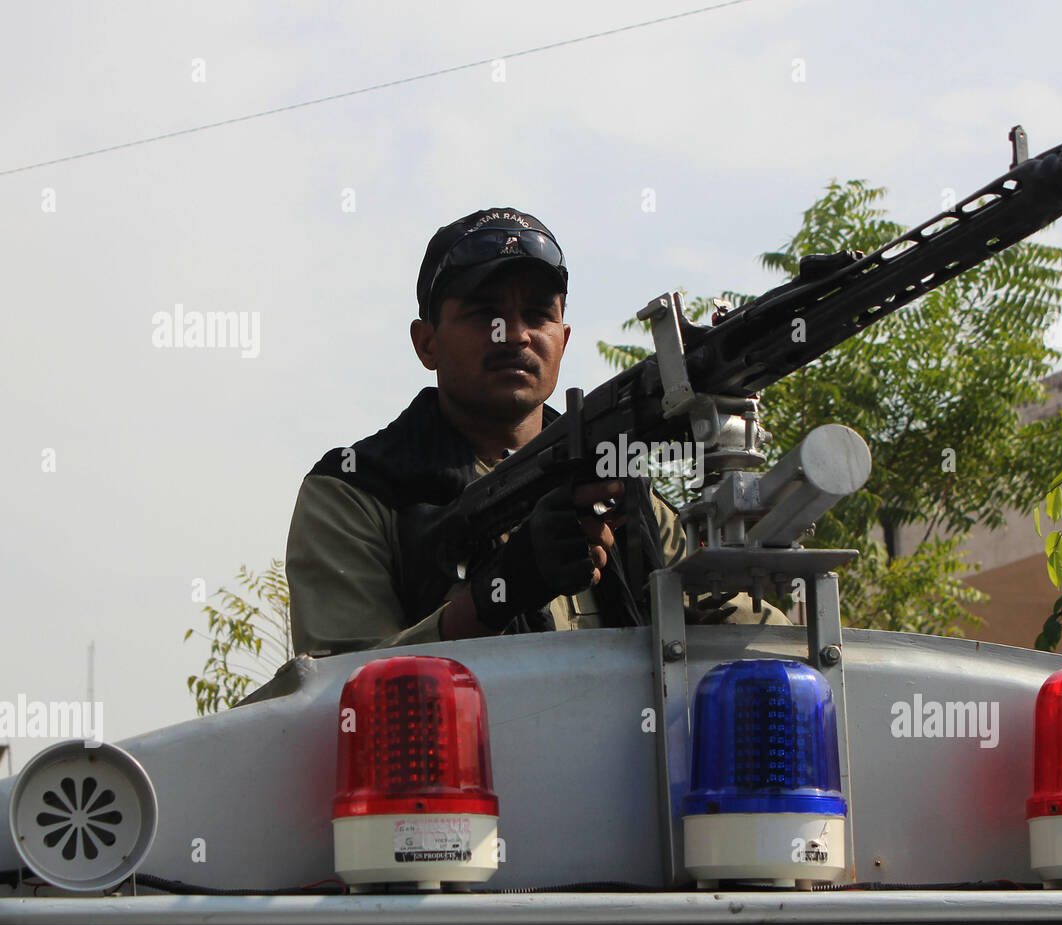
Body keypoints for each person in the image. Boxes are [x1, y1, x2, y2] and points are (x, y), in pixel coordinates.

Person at [286, 207, 786, 656]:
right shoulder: (356, 493)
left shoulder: (617, 490)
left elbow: (753, 629)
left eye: (539, 314)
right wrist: (494, 596)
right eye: (485, 314)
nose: (516, 333)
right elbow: (342, 693)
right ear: (427, 344)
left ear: (563, 341)